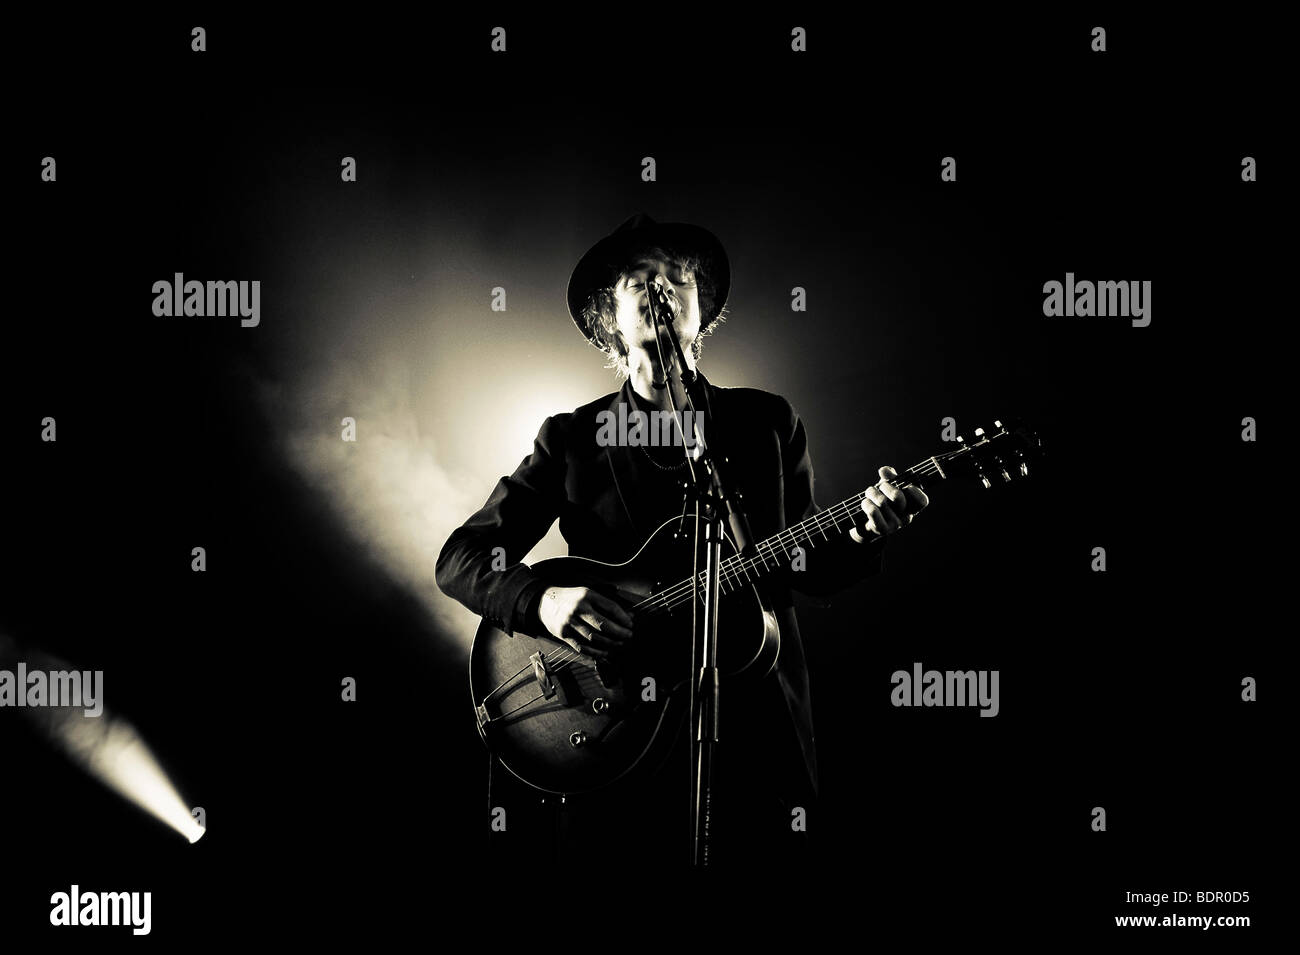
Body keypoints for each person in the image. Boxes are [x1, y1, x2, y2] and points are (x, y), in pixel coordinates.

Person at [436, 213, 928, 868]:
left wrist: (866, 529)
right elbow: (460, 559)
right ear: (608, 317)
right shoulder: (572, 439)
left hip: (753, 727)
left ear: (702, 309)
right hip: (615, 733)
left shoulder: (764, 422)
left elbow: (805, 565)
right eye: (639, 277)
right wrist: (542, 603)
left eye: (678, 276)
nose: (661, 286)